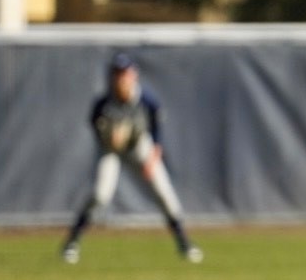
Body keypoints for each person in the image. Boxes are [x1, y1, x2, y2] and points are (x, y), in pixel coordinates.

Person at [60, 53, 203, 264]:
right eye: (117, 74)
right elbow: (95, 126)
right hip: (111, 150)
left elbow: (156, 129)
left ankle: (184, 242)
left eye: (125, 73)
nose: (121, 78)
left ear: (133, 75)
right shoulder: (103, 103)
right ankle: (72, 243)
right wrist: (108, 136)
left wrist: (153, 157)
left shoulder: (145, 99)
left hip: (139, 146)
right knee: (100, 195)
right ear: (112, 77)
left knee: (164, 192)